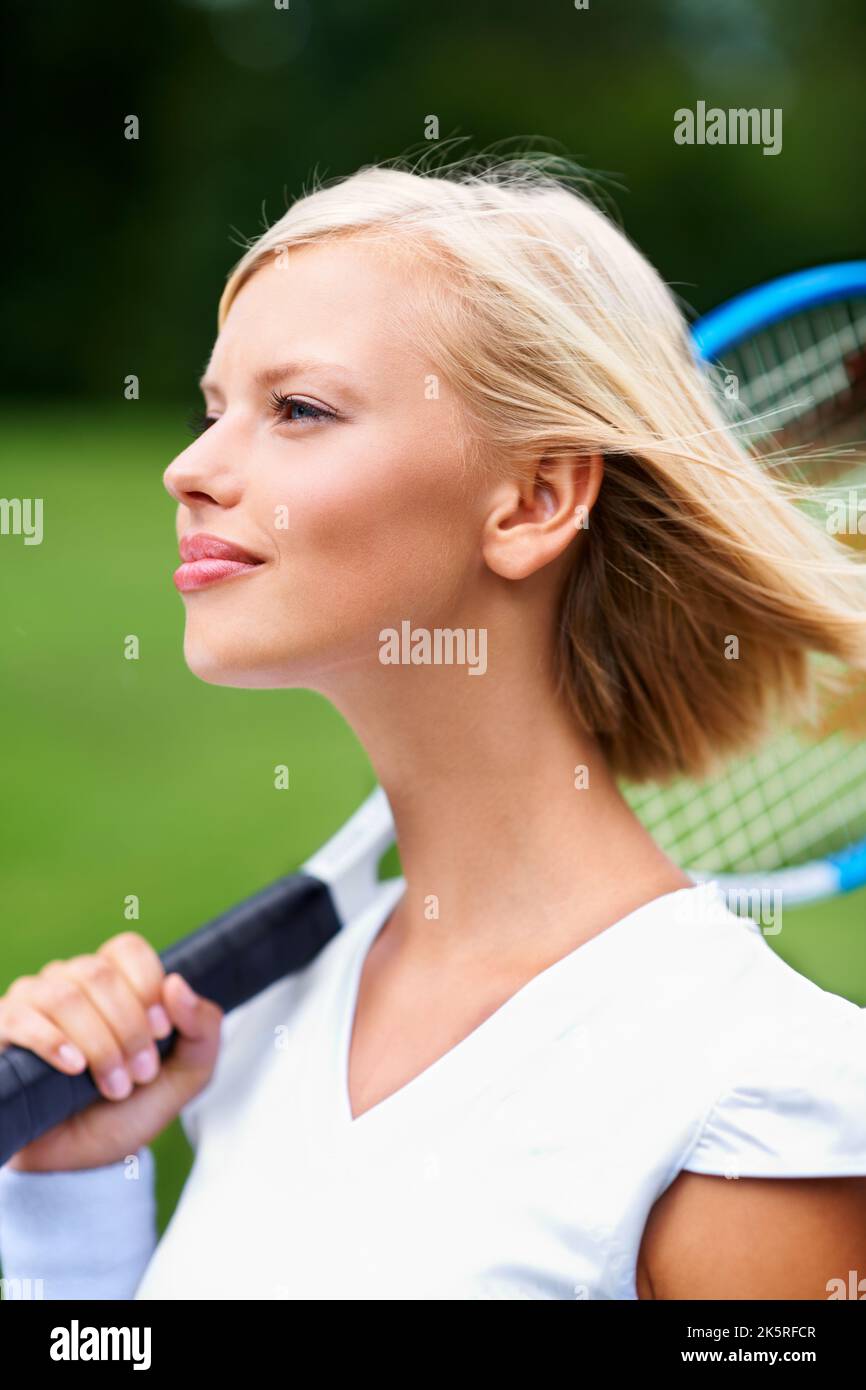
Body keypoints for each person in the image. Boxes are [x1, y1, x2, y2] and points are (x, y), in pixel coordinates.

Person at [1, 153, 865, 1301]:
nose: (189, 467)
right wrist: (73, 1195)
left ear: (532, 500)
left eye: (296, 410)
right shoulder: (270, 1024)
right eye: (215, 409)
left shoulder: (753, 1099)